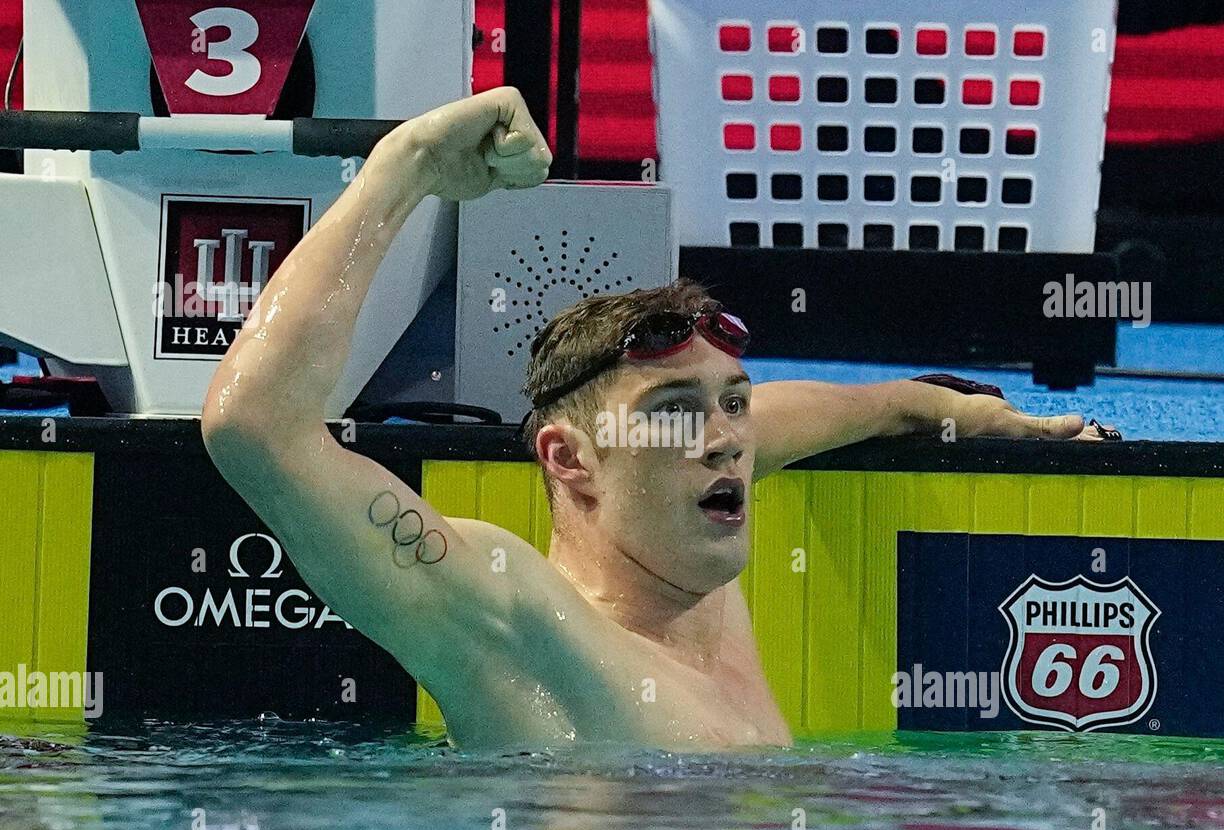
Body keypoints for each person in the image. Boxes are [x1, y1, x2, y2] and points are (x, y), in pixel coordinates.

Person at [201, 88, 1103, 751]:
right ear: (572, 460)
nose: (725, 438)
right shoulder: (516, 614)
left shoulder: (694, 538)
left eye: (733, 403)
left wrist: (937, 406)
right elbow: (256, 429)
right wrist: (406, 171)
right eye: (675, 412)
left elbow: (793, 419)